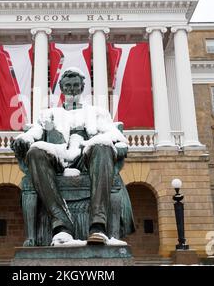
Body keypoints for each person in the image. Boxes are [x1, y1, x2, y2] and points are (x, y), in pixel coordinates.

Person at [12, 67, 129, 246]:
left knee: (102, 145)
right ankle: (60, 225)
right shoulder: (49, 114)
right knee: (35, 151)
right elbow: (35, 133)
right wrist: (24, 138)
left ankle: (98, 226)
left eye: (76, 85)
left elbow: (118, 138)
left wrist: (114, 146)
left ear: (82, 88)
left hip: (87, 158)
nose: (72, 89)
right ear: (61, 88)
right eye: (67, 86)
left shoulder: (97, 113)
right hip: (59, 157)